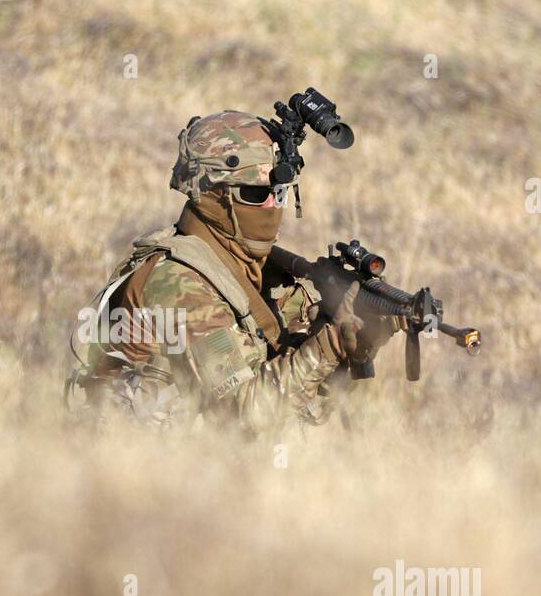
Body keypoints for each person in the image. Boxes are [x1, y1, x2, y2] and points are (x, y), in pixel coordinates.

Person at [66, 109, 398, 430]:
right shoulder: (179, 282)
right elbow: (246, 417)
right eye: (255, 193)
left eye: (279, 193)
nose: (272, 204)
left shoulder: (257, 275)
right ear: (212, 196)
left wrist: (354, 342)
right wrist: (332, 343)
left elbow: (302, 407)